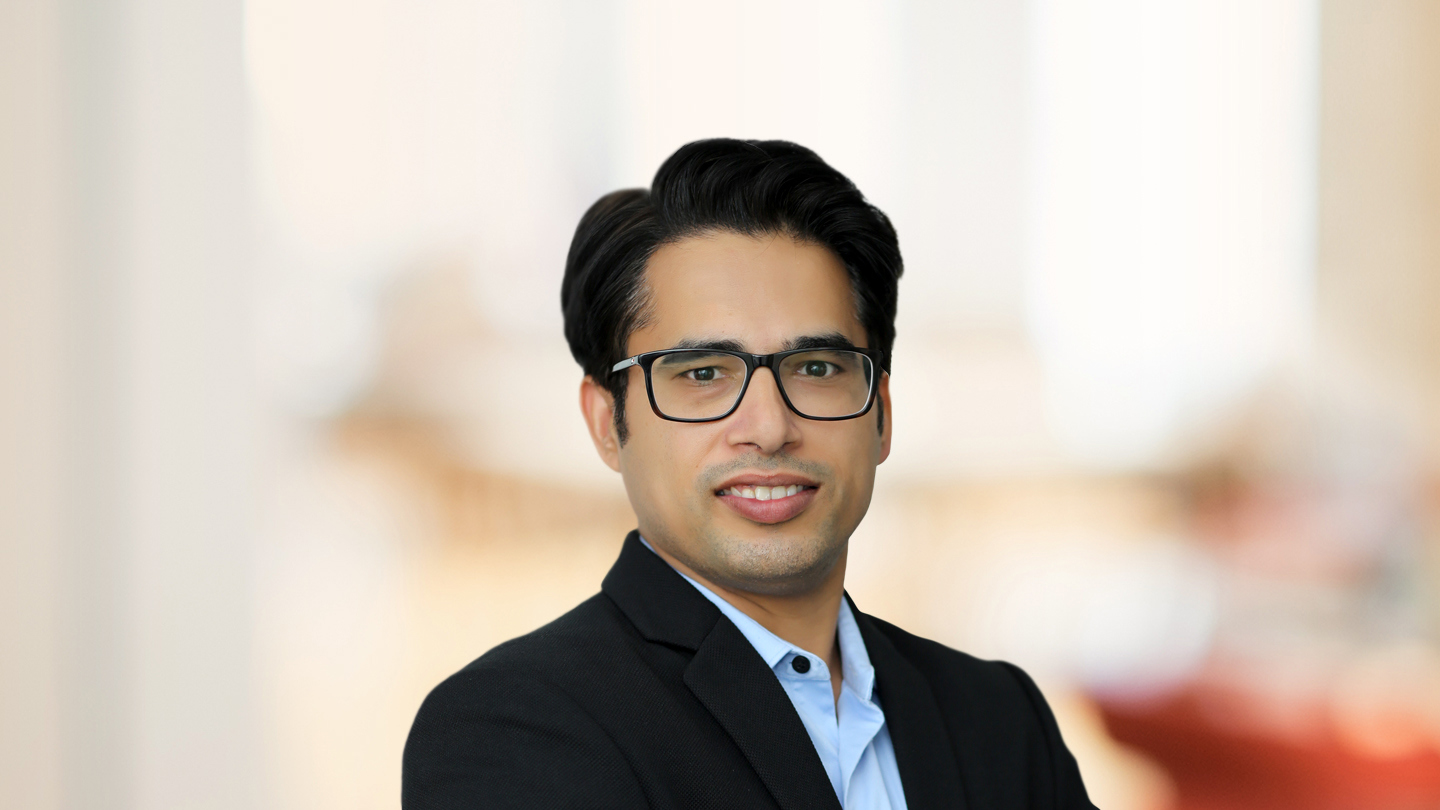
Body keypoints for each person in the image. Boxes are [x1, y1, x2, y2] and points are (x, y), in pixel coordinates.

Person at [403, 139, 1095, 809]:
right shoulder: (514, 728)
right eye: (703, 374)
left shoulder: (1000, 721)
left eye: (816, 368)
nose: (769, 426)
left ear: (881, 414)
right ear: (607, 422)